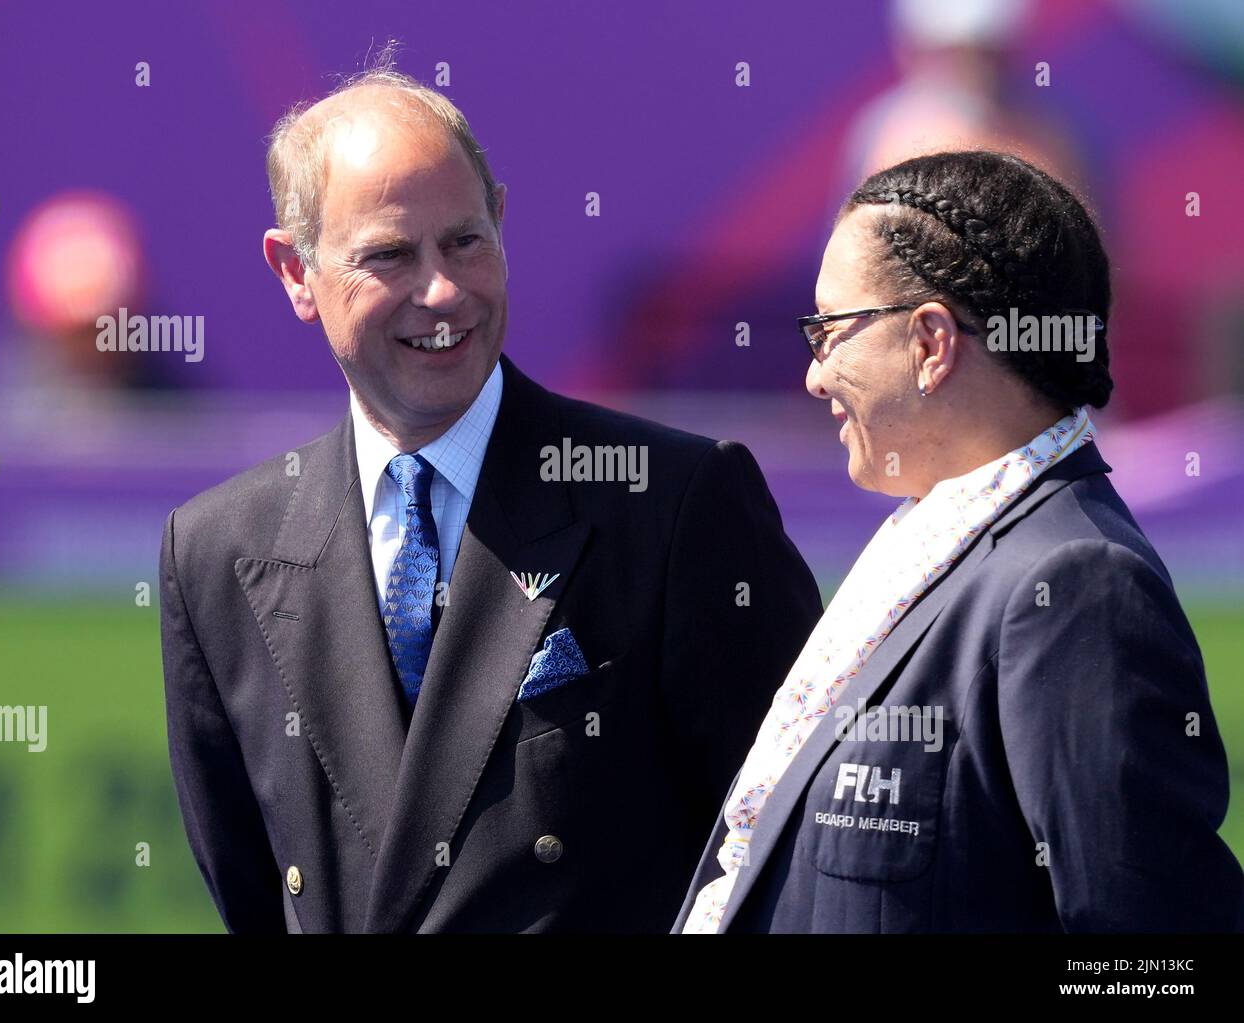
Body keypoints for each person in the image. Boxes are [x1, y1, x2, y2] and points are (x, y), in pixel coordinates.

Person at [158, 55, 821, 933]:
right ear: (294, 272)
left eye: (465, 241)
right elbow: (246, 889)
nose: (441, 292)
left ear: (502, 220)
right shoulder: (217, 552)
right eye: (389, 255)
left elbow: (792, 857)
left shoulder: (674, 503)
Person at [675, 150, 1244, 933]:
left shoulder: (1078, 586)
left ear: (932, 343)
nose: (814, 375)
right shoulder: (934, 538)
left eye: (830, 331)